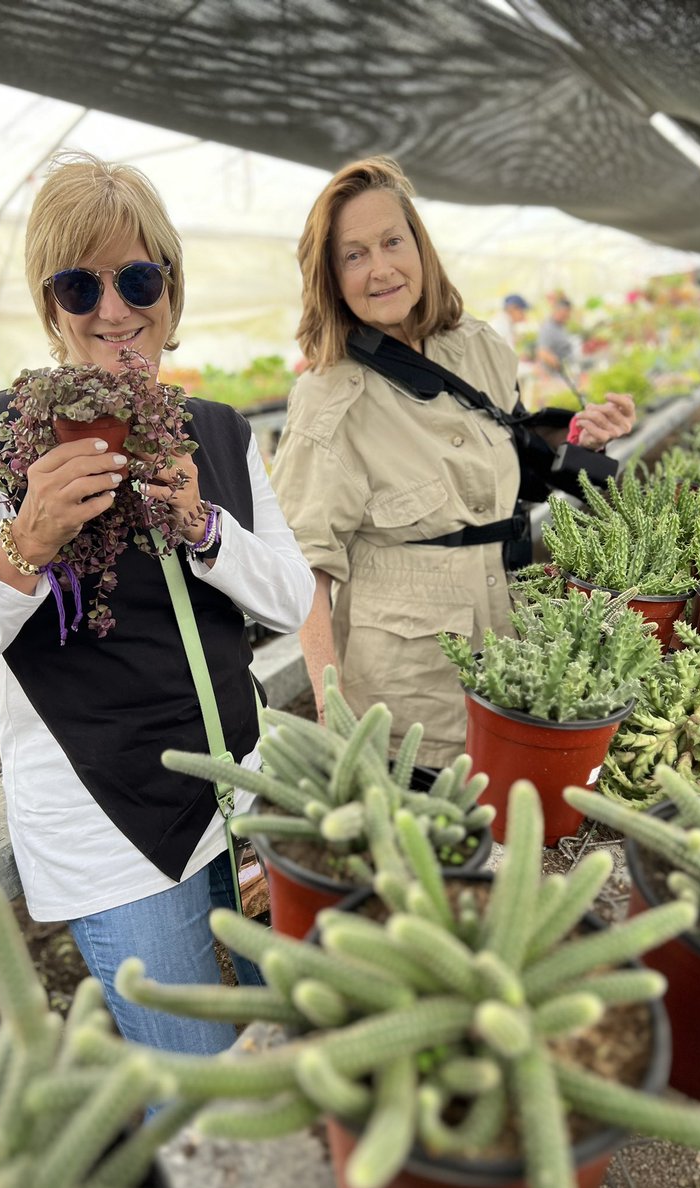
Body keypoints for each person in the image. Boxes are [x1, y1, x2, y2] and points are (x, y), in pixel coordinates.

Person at [0, 153, 315, 1056]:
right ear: (50, 307)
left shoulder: (218, 432)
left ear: (170, 289)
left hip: (245, 800)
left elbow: (292, 599)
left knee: (298, 1054)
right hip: (111, 833)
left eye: (137, 278)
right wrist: (28, 543)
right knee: (197, 1092)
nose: (114, 309)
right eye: (79, 286)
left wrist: (206, 528)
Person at [270, 156, 633, 768]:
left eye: (392, 241)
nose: (381, 268)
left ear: (420, 245)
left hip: (517, 649)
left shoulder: (480, 347)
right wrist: (332, 708)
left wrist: (583, 445)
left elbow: (517, 467)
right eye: (354, 255)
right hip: (408, 697)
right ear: (330, 276)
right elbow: (307, 568)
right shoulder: (328, 401)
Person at [536, 293, 577, 376]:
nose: (567, 317)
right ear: (557, 311)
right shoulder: (548, 328)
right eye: (564, 314)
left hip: (567, 370)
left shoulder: (561, 326)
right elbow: (542, 352)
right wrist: (559, 365)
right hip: (555, 374)